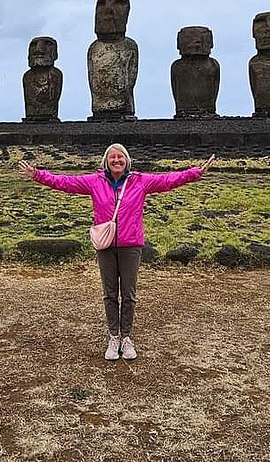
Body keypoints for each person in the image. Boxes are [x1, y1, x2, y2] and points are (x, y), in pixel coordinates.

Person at [18, 144, 216, 361]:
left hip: (131, 245)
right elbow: (65, 183)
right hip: (105, 245)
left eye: (120, 157)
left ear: (127, 160)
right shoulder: (95, 181)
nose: (116, 160)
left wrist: (196, 172)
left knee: (129, 295)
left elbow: (168, 180)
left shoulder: (140, 181)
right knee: (110, 294)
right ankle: (113, 336)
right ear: (106, 161)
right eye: (112, 157)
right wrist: (37, 175)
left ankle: (127, 338)